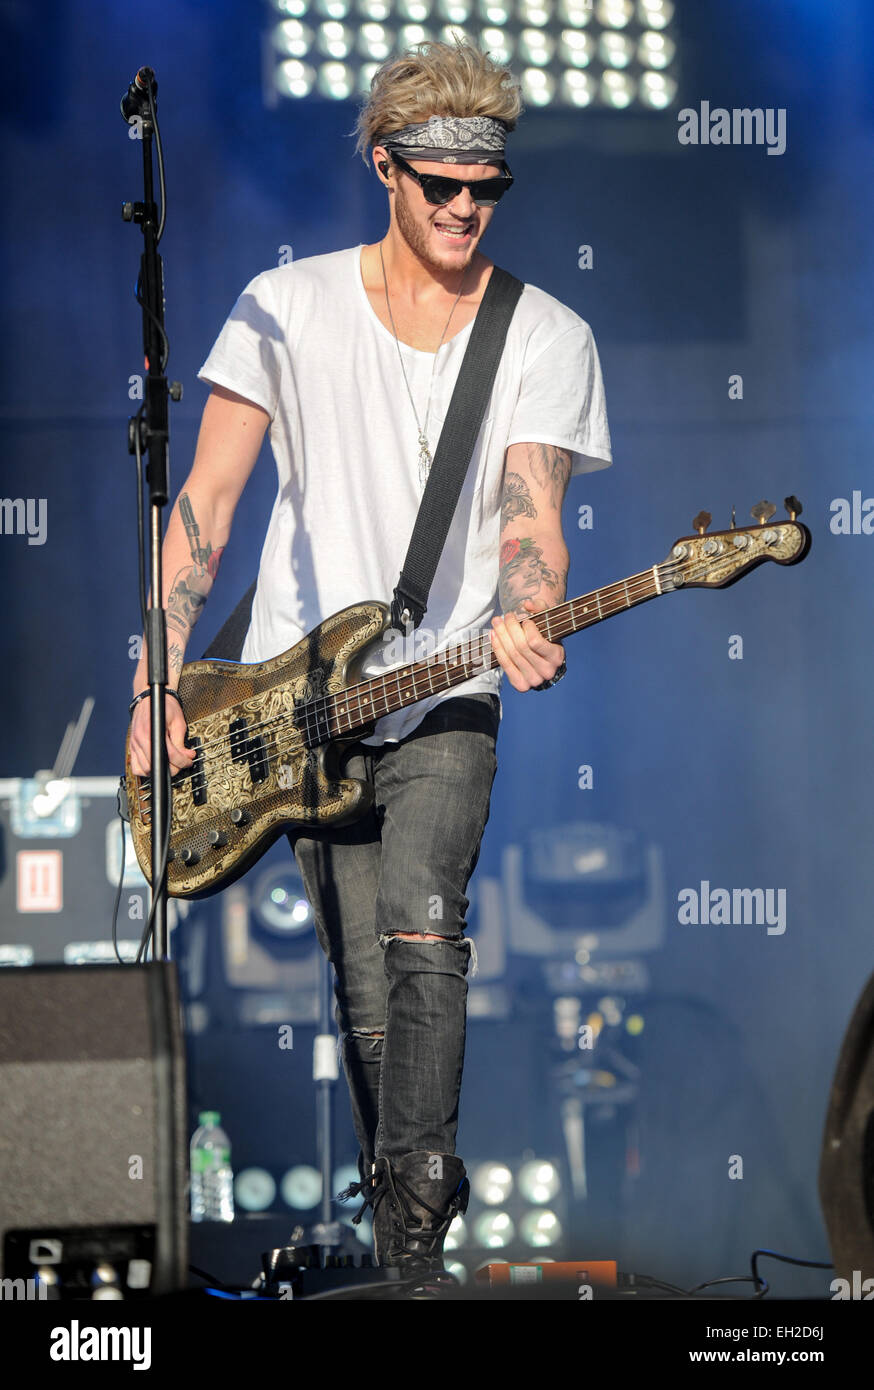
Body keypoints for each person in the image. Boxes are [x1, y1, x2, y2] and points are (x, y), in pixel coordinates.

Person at [128, 37, 612, 1277]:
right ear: (386, 168)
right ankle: (406, 1256)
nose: (465, 208)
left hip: (444, 688)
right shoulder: (281, 309)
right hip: (293, 703)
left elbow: (530, 514)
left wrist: (527, 607)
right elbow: (206, 511)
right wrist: (153, 684)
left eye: (487, 188)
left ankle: (413, 1227)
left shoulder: (543, 333)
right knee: (358, 993)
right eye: (442, 183)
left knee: (423, 929)